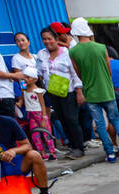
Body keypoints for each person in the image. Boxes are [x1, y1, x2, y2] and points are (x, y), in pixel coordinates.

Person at [69, 18, 119, 162]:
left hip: (91, 93)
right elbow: (109, 70)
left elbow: (78, 73)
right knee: (115, 119)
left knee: (101, 125)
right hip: (107, 91)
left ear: (75, 33)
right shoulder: (101, 47)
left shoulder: (73, 52)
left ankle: (110, 153)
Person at [37, 26, 84, 158]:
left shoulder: (67, 53)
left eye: (49, 38)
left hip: (68, 92)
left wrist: (79, 92)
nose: (47, 41)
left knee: (72, 120)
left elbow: (75, 74)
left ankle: (79, 147)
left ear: (56, 39)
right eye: (44, 39)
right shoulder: (42, 54)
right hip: (52, 93)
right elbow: (39, 73)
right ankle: (72, 147)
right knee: (62, 120)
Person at [18, 66, 56, 160]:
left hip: (39, 113)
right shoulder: (24, 89)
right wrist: (19, 103)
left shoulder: (38, 91)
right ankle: (42, 152)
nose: (26, 80)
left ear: (34, 79)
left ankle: (52, 152)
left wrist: (44, 117)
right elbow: (22, 98)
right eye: (25, 77)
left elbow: (43, 105)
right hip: (31, 114)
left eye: (28, 77)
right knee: (35, 134)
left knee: (46, 133)